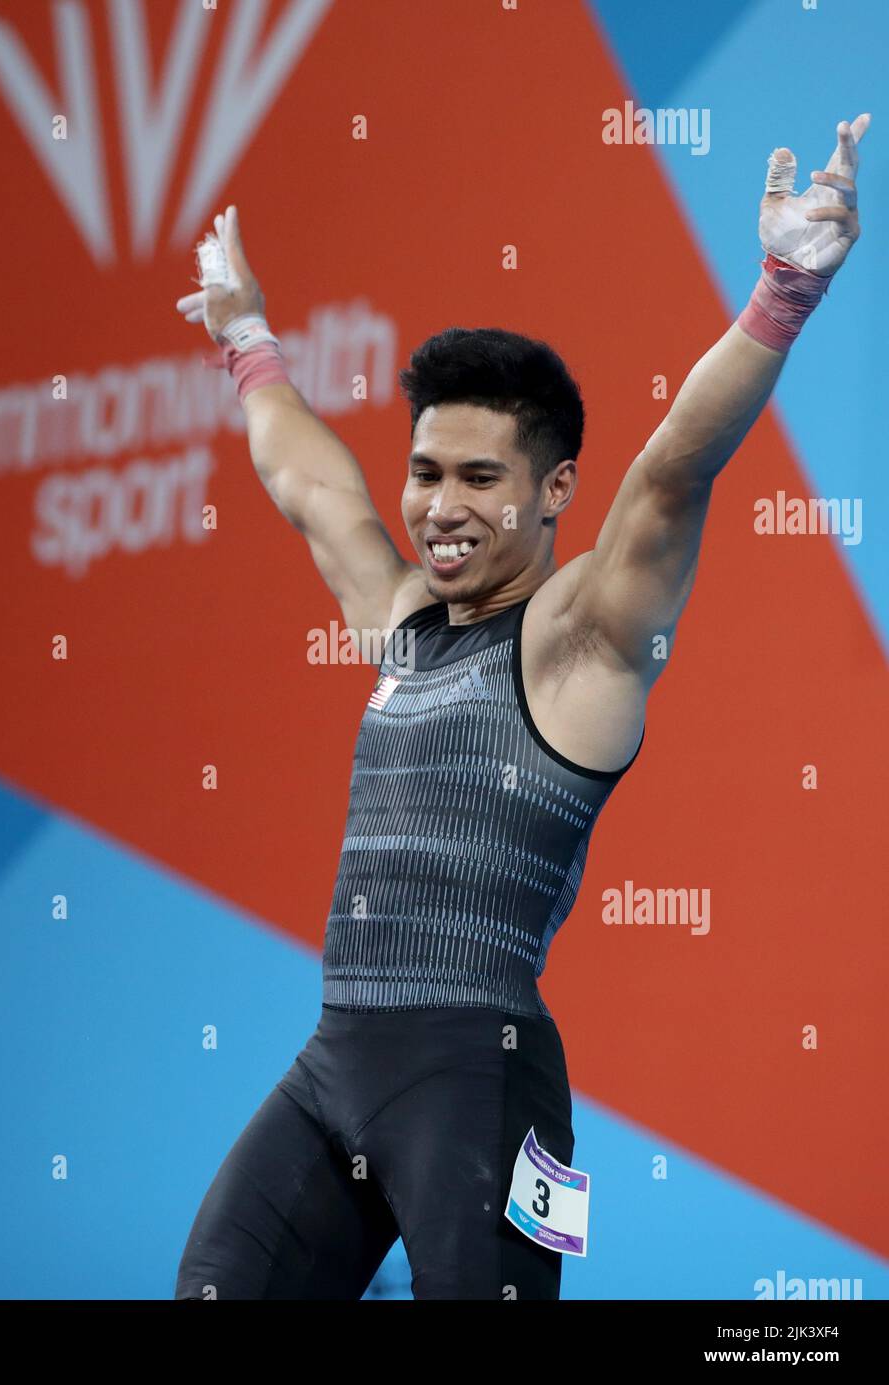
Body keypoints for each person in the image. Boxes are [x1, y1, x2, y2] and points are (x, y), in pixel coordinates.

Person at [172, 115, 869, 1300]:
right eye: (426, 471)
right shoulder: (398, 618)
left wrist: (782, 291)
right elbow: (307, 483)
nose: (438, 506)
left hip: (478, 1078)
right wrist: (245, 335)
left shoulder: (577, 644)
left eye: (478, 479)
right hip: (333, 1062)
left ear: (552, 492)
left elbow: (670, 472)